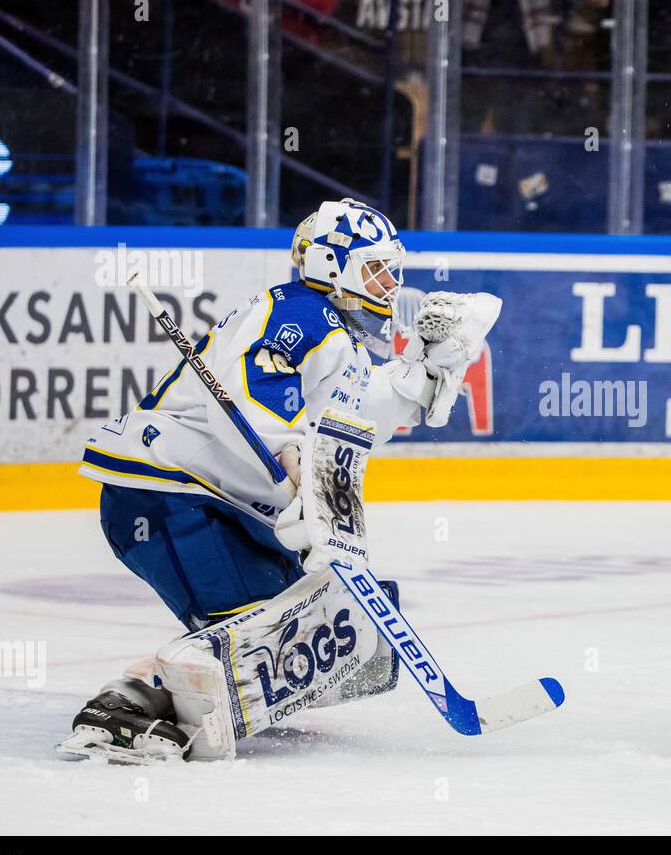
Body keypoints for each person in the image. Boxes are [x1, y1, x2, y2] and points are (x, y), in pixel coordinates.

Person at [58, 199, 496, 762]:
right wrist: (296, 467)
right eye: (376, 269)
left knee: (311, 625)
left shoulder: (342, 338)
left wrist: (420, 377)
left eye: (393, 271)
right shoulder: (298, 314)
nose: (389, 286)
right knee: (258, 636)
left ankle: (167, 696)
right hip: (169, 489)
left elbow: (351, 418)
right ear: (332, 268)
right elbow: (252, 395)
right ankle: (122, 707)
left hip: (213, 500)